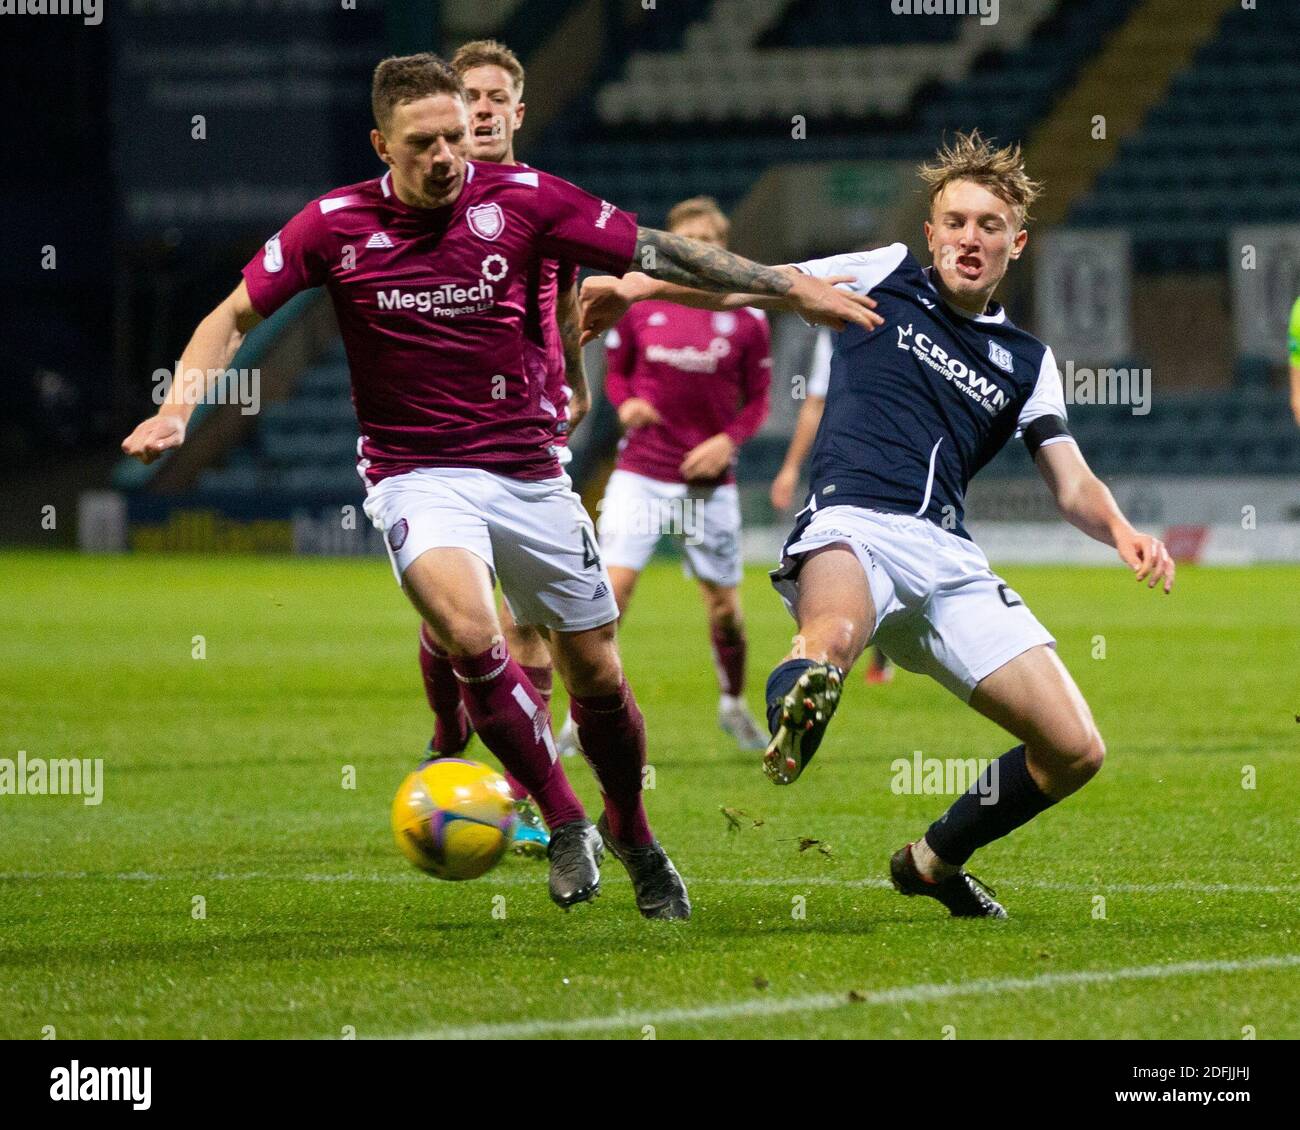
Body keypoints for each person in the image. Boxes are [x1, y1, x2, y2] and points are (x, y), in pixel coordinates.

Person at [121, 53, 881, 920]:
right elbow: (231, 317)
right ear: (382, 144)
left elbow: (659, 251)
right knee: (471, 631)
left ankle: (629, 828)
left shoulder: (525, 201)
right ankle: (562, 818)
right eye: (424, 143)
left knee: (595, 669)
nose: (448, 155)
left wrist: (788, 288)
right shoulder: (332, 225)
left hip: (528, 471)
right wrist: (180, 410)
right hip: (416, 474)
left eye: (456, 136)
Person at [579, 131, 1175, 919]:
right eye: (955, 221)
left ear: (1016, 243)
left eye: (988, 225)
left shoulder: (1029, 361)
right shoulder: (883, 273)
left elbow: (1069, 480)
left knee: (1073, 750)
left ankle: (933, 860)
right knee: (829, 641)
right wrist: (640, 289)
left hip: (952, 559)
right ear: (931, 232)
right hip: (853, 524)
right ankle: (801, 705)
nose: (970, 237)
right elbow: (752, 286)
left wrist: (1124, 532)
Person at [413, 39, 590, 858]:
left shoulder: (542, 202)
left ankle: (518, 794)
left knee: (528, 630)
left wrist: (576, 381)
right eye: (468, 96)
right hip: (438, 436)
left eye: (494, 97)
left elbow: (564, 306)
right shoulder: (424, 199)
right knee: (458, 621)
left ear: (518, 111)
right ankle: (449, 731)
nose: (480, 110)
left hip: (529, 431)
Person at [558, 196, 771, 754]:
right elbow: (617, 377)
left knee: (724, 610)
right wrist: (625, 405)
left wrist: (727, 441)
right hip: (642, 473)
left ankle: (733, 703)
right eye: (690, 241)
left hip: (707, 485)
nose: (701, 250)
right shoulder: (639, 305)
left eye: (711, 241)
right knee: (612, 594)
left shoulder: (748, 320)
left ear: (724, 247)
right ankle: (583, 720)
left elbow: (759, 402)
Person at [771, 326, 893, 687]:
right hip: (847, 467)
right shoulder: (838, 333)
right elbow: (816, 402)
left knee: (893, 558)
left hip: (907, 470)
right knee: (841, 556)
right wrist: (790, 469)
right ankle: (814, 658)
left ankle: (852, 653)